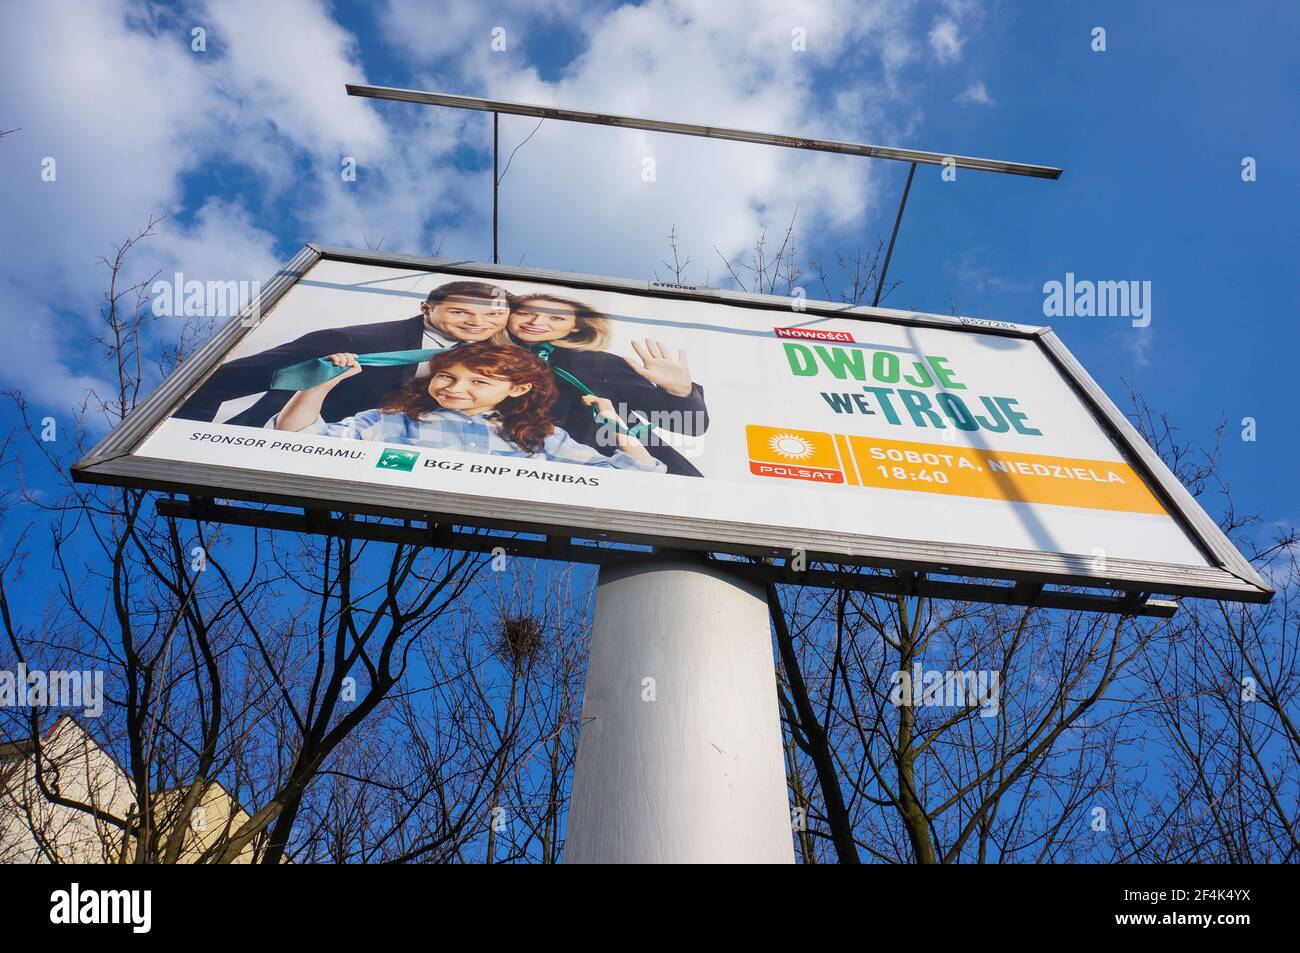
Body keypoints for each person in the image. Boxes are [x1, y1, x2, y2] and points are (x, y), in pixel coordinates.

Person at [269, 341, 666, 473]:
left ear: (518, 388)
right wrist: (317, 387)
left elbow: (634, 476)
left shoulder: (540, 438)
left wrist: (614, 424)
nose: (457, 388)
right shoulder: (392, 421)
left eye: (479, 382)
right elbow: (299, 438)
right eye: (447, 377)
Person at [175, 280, 511, 427]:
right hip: (281, 447)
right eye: (460, 312)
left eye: (493, 315)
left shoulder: (494, 358)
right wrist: (188, 443)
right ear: (426, 308)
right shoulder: (351, 341)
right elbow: (224, 381)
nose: (478, 323)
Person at [506, 294, 710, 477]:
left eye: (556, 318)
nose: (536, 321)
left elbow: (690, 425)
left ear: (576, 326)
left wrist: (680, 390)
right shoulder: (490, 363)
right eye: (524, 313)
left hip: (644, 474)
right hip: (535, 476)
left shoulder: (604, 363)